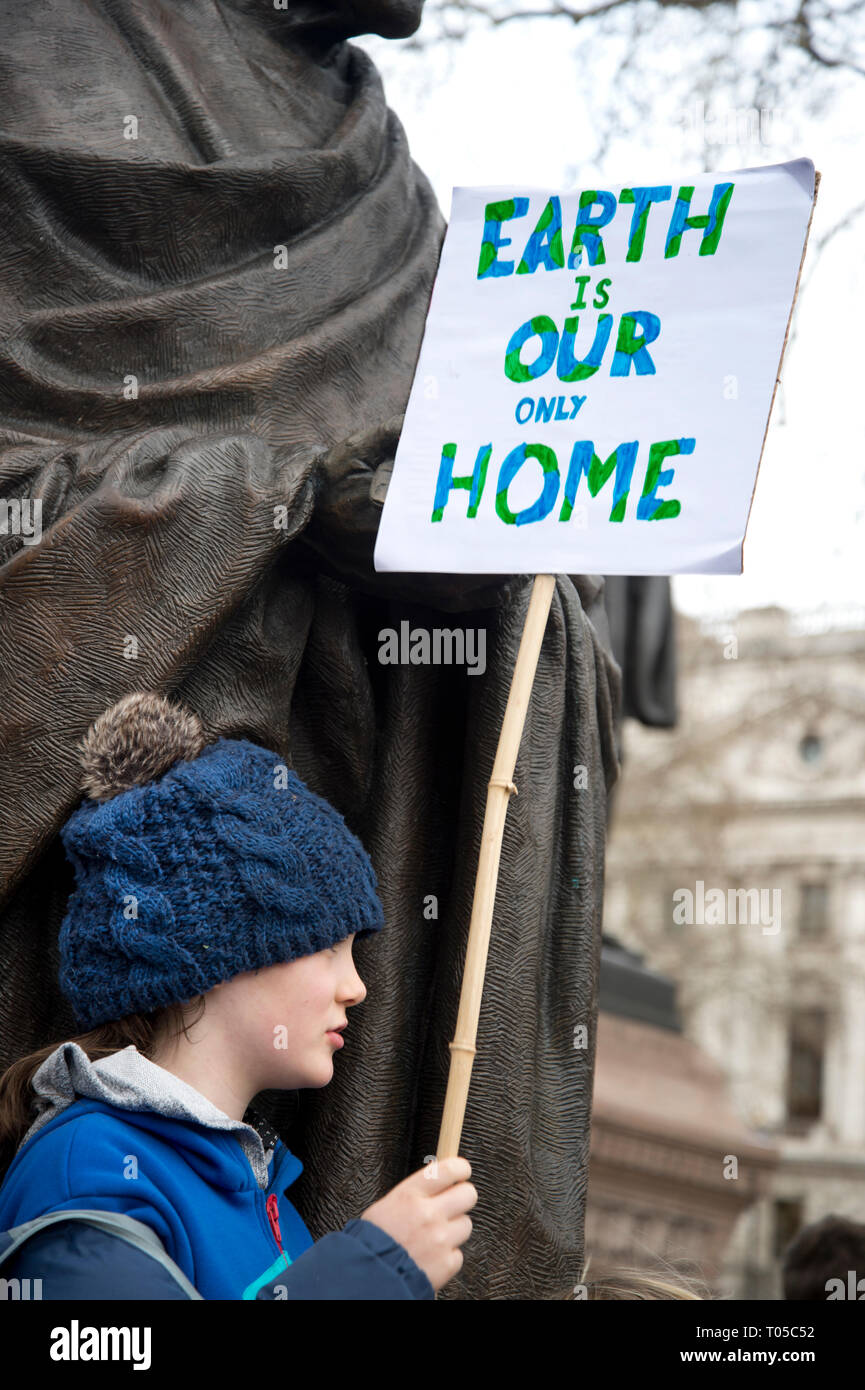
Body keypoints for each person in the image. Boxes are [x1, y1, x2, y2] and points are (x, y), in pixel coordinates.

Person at [0, 690, 477, 1300]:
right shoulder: (87, 1172)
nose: (356, 987)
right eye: (328, 947)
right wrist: (372, 1273)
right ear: (218, 956)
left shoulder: (261, 1191)